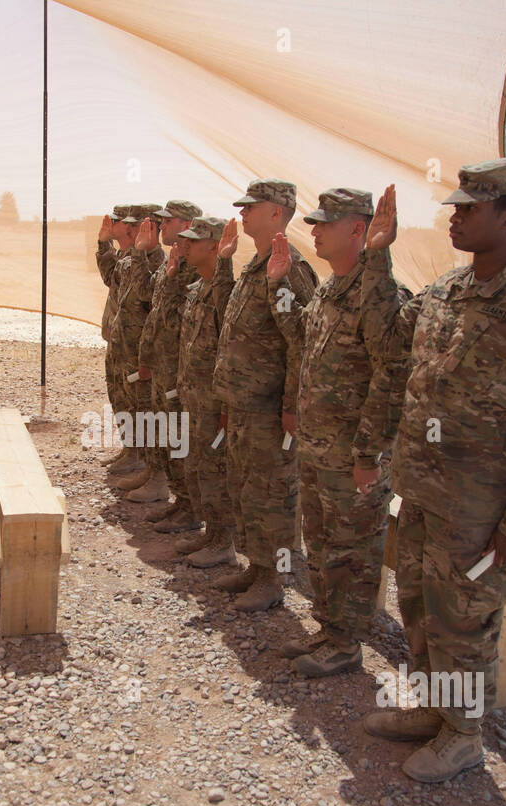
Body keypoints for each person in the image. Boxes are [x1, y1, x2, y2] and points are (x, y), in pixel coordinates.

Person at [362, 160, 506, 783]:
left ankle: (464, 735)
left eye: (470, 208)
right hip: (423, 495)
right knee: (418, 608)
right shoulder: (445, 290)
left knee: (464, 624)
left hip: (482, 512)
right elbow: (387, 342)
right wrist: (376, 258)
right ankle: (436, 708)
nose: (455, 217)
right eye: (455, 207)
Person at [268, 188, 411, 678]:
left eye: (325, 223)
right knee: (325, 545)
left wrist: (369, 453)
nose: (314, 231)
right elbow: (301, 344)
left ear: (358, 229)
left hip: (354, 457)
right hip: (319, 450)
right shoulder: (329, 289)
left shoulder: (382, 297)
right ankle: (330, 629)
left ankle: (347, 642)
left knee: (354, 553)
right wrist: (278, 288)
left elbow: (390, 376)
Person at [211, 179, 316, 612]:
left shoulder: (288, 268)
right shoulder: (255, 267)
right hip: (243, 405)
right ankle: (256, 566)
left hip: (271, 409)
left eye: (251, 206)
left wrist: (291, 407)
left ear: (276, 213)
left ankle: (273, 578)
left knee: (272, 494)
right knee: (246, 488)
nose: (242, 213)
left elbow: (302, 342)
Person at [173, 216, 238, 568]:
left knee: (216, 470)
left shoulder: (226, 290)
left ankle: (224, 541)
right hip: (194, 397)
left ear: (214, 246)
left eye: (194, 241)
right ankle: (211, 533)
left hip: (214, 401)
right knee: (199, 467)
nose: (186, 245)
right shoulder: (197, 289)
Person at [132, 199, 202, 520]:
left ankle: (188, 506)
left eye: (168, 221)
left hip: (178, 368)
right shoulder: (170, 262)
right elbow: (146, 296)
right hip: (163, 365)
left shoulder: (194, 266)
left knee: (179, 438)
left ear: (187, 224)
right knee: (164, 431)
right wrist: (144, 254)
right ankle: (175, 497)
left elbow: (179, 321)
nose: (161, 226)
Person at [109, 203, 167, 496]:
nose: (132, 230)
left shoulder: (158, 263)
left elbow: (147, 299)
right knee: (125, 402)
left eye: (139, 226)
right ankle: (136, 455)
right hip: (125, 347)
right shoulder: (132, 259)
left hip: (142, 353)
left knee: (146, 411)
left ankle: (150, 467)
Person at [97, 205, 141, 474]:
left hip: (133, 347)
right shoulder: (124, 257)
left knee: (136, 402)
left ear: (129, 227)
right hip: (118, 341)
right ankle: (130, 449)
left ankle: (140, 456)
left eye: (115, 221)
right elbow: (109, 277)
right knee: (120, 398)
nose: (109, 223)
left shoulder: (142, 260)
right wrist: (103, 244)